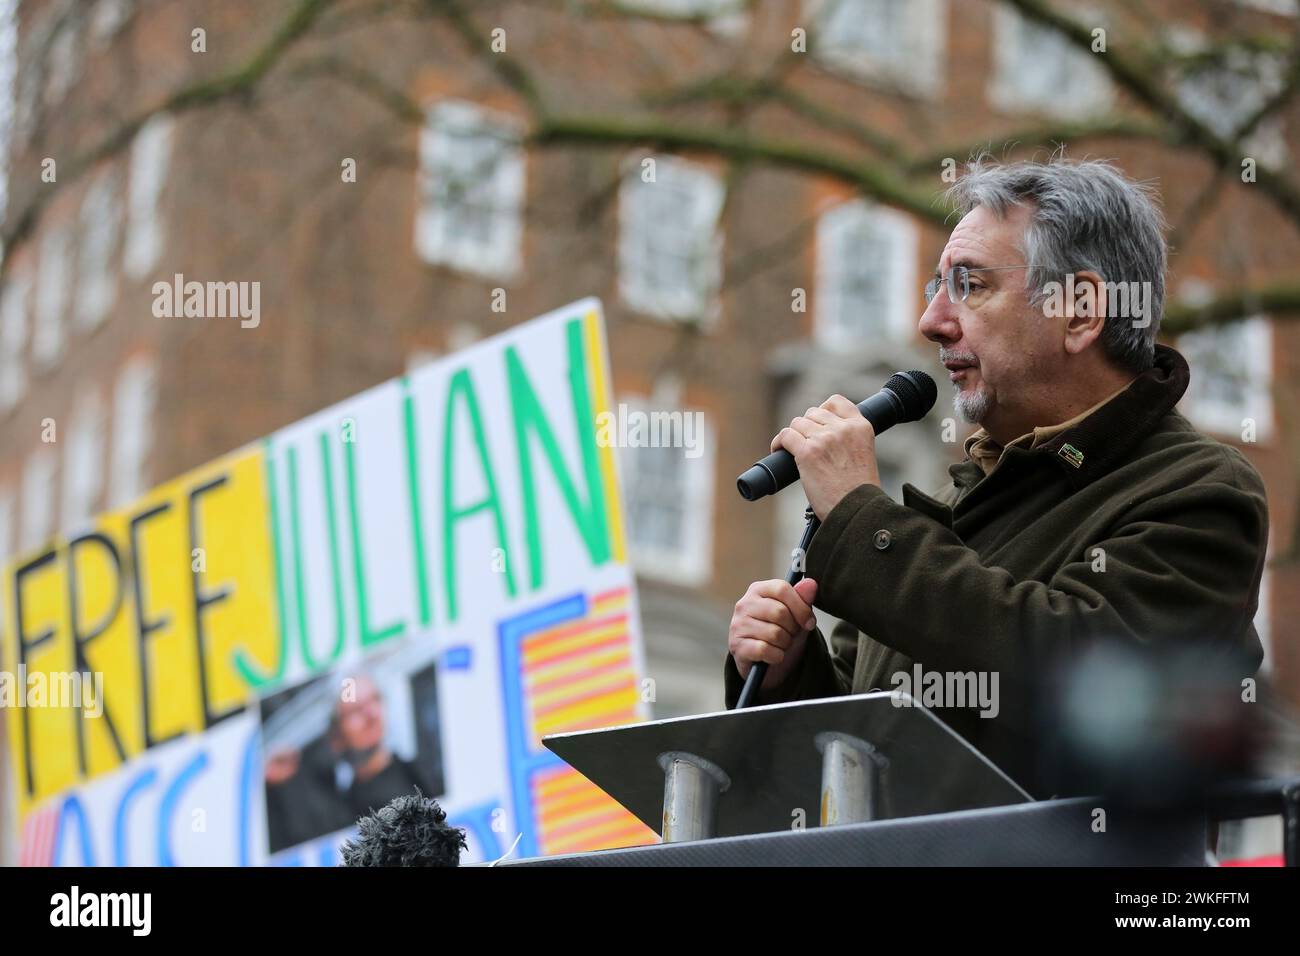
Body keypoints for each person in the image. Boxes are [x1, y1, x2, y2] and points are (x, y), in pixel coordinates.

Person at [724, 156, 1268, 793]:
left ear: (1082, 312)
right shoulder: (961, 498)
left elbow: (1078, 678)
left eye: (970, 285)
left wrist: (861, 519)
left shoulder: (1198, 491)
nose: (932, 321)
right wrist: (790, 670)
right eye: (937, 287)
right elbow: (865, 746)